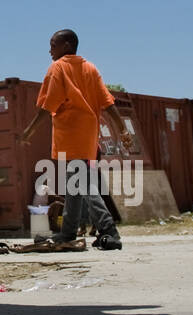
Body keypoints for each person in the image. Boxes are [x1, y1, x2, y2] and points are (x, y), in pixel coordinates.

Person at [18, 30, 125, 251]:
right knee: (74, 188)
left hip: (70, 136)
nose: (50, 50)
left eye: (52, 44)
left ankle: (109, 231)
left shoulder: (58, 68)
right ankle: (68, 232)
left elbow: (48, 107)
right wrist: (122, 129)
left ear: (66, 44)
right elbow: (108, 102)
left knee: (83, 185)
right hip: (87, 137)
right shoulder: (90, 68)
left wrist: (28, 132)